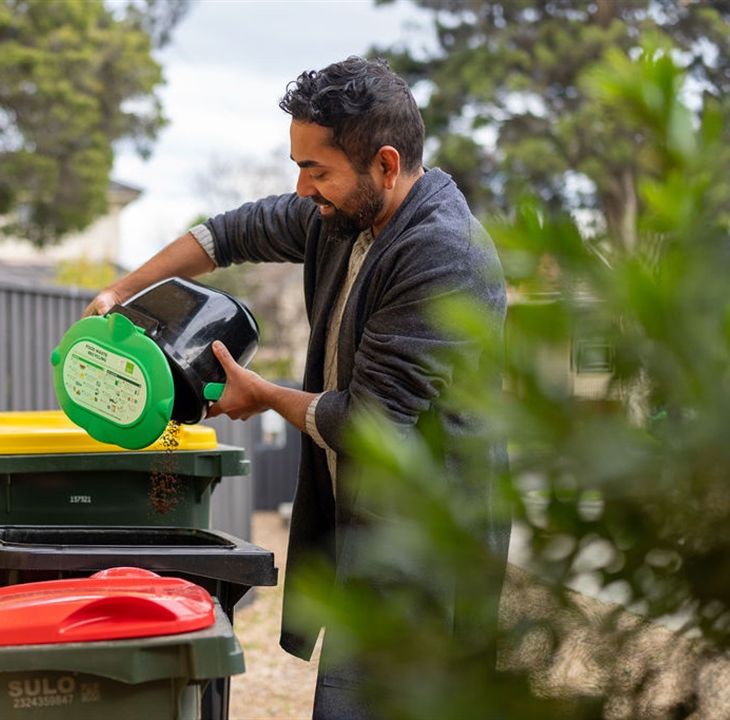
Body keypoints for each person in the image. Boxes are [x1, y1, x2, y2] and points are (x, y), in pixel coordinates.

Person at [86, 55, 510, 719]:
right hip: (364, 517)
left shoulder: (442, 253)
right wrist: (122, 288)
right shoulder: (346, 218)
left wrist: (263, 395)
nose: (302, 186)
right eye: (298, 164)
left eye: (317, 170)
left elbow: (372, 423)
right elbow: (230, 233)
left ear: (386, 165)